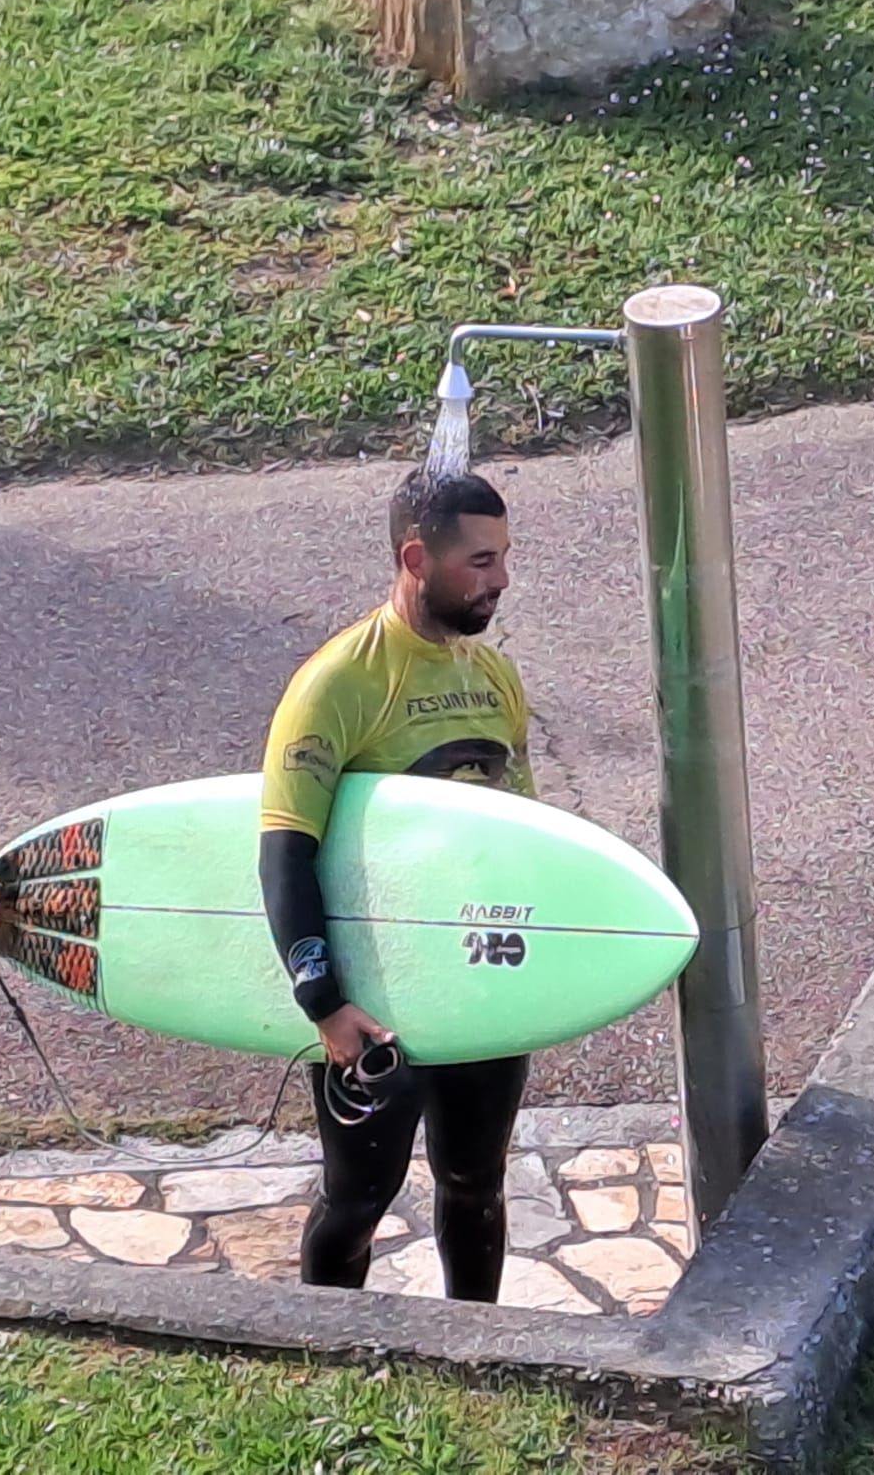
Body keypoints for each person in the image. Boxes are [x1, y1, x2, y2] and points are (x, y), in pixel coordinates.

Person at [257, 466, 537, 1300]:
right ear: (417, 558)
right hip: (375, 988)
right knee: (360, 1194)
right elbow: (284, 850)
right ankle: (326, 1350)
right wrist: (325, 1003)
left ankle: (476, 1356)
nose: (502, 580)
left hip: (477, 978)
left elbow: (522, 844)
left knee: (475, 1182)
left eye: (505, 557)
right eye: (480, 562)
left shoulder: (493, 679)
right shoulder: (338, 684)